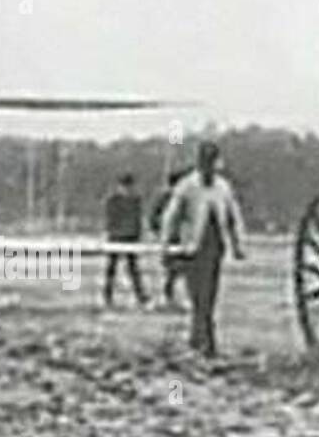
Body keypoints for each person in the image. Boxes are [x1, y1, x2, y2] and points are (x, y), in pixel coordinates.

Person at [159, 141, 245, 357]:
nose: (209, 169)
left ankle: (200, 338)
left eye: (212, 164)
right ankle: (206, 340)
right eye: (205, 163)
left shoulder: (223, 187)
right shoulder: (187, 186)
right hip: (192, 248)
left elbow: (233, 216)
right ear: (199, 163)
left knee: (209, 295)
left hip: (215, 247)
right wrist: (166, 245)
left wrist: (237, 245)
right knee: (199, 295)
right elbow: (171, 217)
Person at [103, 173, 148, 307]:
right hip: (116, 237)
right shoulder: (113, 200)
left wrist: (137, 234)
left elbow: (137, 219)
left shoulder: (136, 200)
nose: (127, 190)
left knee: (133, 269)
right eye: (125, 187)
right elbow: (111, 219)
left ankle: (140, 296)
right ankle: (107, 295)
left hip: (130, 238)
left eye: (129, 187)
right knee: (111, 268)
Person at [150, 167, 192, 309]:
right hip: (170, 239)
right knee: (171, 271)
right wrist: (159, 232)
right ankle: (167, 296)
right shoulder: (164, 198)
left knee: (186, 270)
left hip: (184, 239)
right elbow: (154, 218)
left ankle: (185, 297)